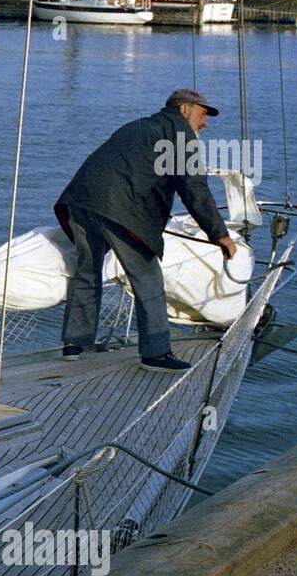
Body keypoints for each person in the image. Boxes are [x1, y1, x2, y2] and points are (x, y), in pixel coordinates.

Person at [54, 88, 238, 374]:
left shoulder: (138, 125)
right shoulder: (180, 135)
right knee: (148, 279)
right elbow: (193, 187)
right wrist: (219, 234)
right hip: (120, 209)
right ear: (184, 109)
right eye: (203, 113)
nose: (206, 123)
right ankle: (156, 353)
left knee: (87, 271)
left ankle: (74, 344)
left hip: (81, 200)